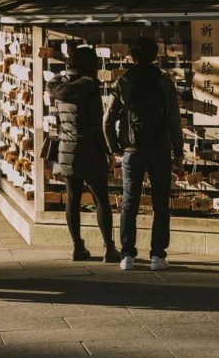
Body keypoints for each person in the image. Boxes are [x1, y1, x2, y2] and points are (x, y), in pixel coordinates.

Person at [103, 37, 184, 271]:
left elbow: (108, 120)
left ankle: (127, 255)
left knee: (129, 202)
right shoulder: (164, 83)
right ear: (155, 55)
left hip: (132, 151)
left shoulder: (124, 82)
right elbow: (174, 120)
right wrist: (178, 152)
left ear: (132, 56)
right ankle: (157, 255)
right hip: (159, 149)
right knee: (160, 203)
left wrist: (114, 147)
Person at [47, 45, 121, 262]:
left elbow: (60, 122)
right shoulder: (89, 88)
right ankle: (109, 248)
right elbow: (97, 126)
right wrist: (109, 153)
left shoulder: (59, 87)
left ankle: (78, 247)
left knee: (72, 198)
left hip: (66, 149)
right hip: (90, 149)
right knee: (101, 200)